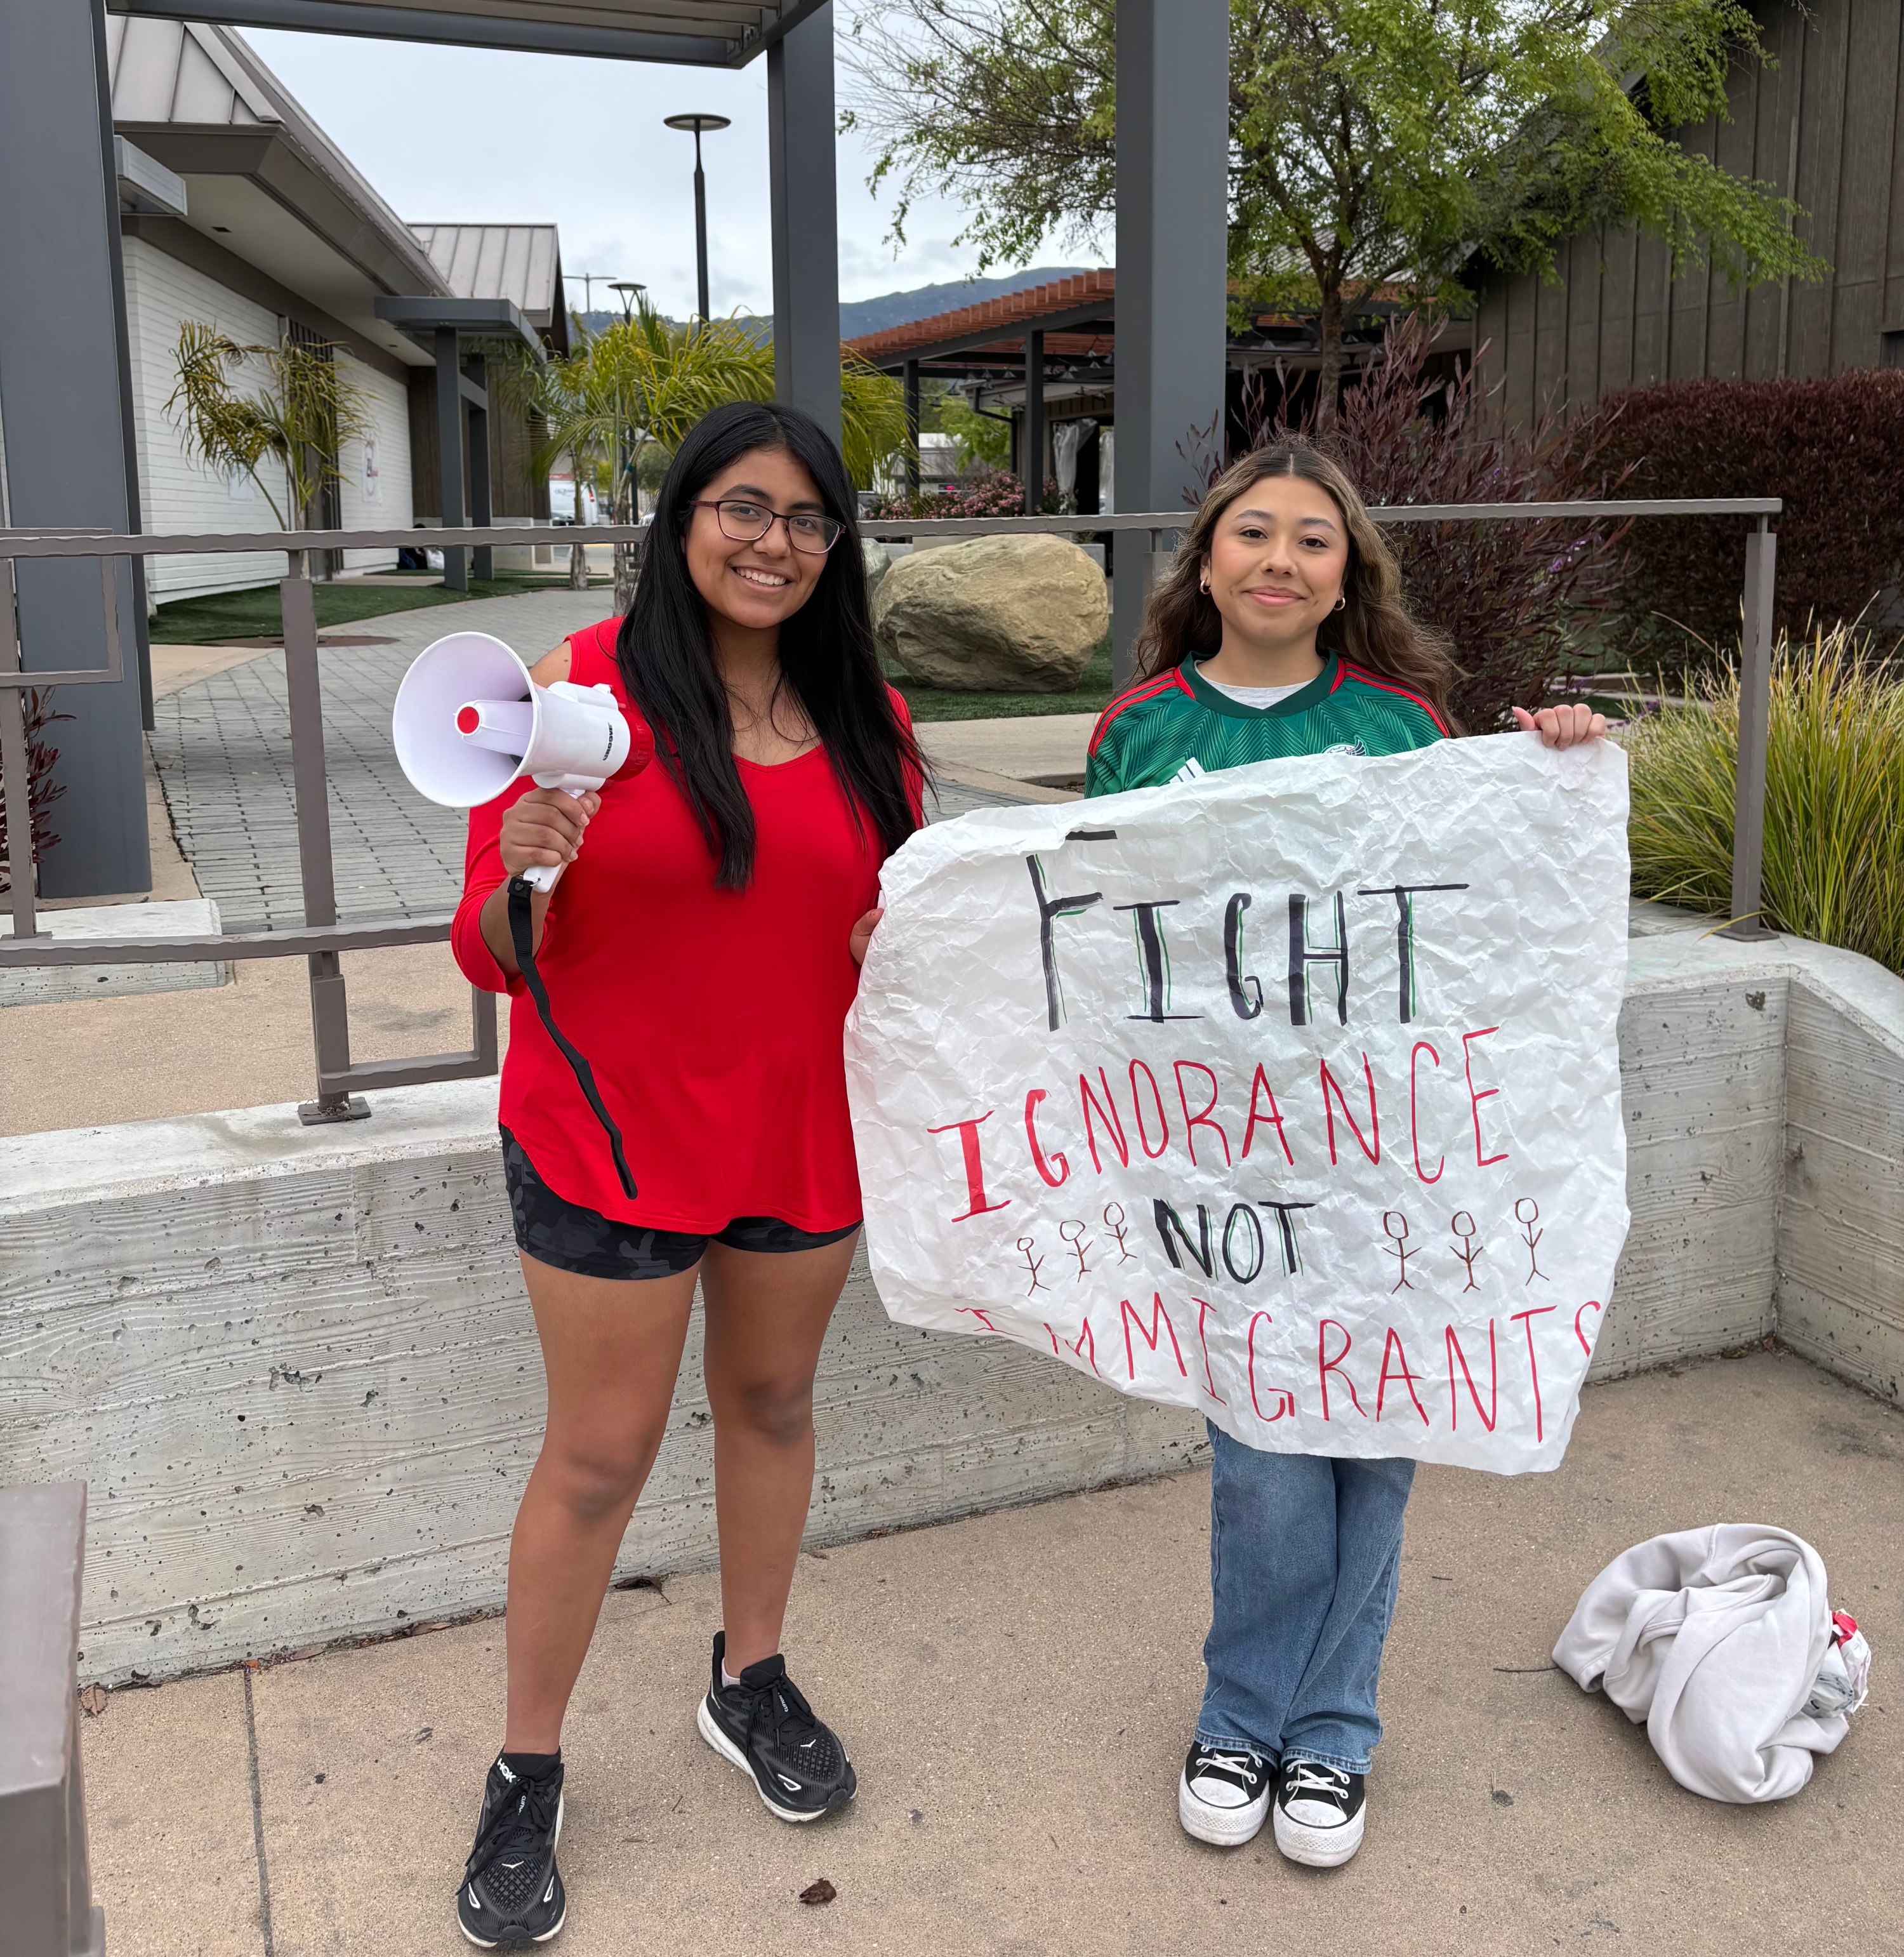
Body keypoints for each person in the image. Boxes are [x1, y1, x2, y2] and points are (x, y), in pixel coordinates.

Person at [1085, 437, 1606, 1871]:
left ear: (1346, 576)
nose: (1279, 560)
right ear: (1203, 562)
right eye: (1252, 534)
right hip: (1227, 1160)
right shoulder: (1136, 726)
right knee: (1261, 1441)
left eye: (1314, 541)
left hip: (1384, 1150)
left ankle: (1334, 1732)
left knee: (1379, 1434)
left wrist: (1548, 768)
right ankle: (1240, 1711)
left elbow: (1474, 909)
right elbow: (1097, 929)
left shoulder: (1401, 726)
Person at [448, 401, 923, 1946]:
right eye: (742, 507)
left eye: (806, 519)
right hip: (610, 1132)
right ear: (680, 517)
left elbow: (898, 919)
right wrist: (531, 856)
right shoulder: (577, 691)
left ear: (836, 548)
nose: (772, 542)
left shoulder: (870, 714)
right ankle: (528, 1767)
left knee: (775, 1406)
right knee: (596, 1460)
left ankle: (751, 1676)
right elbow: (492, 952)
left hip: (802, 1130)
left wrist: (891, 945)